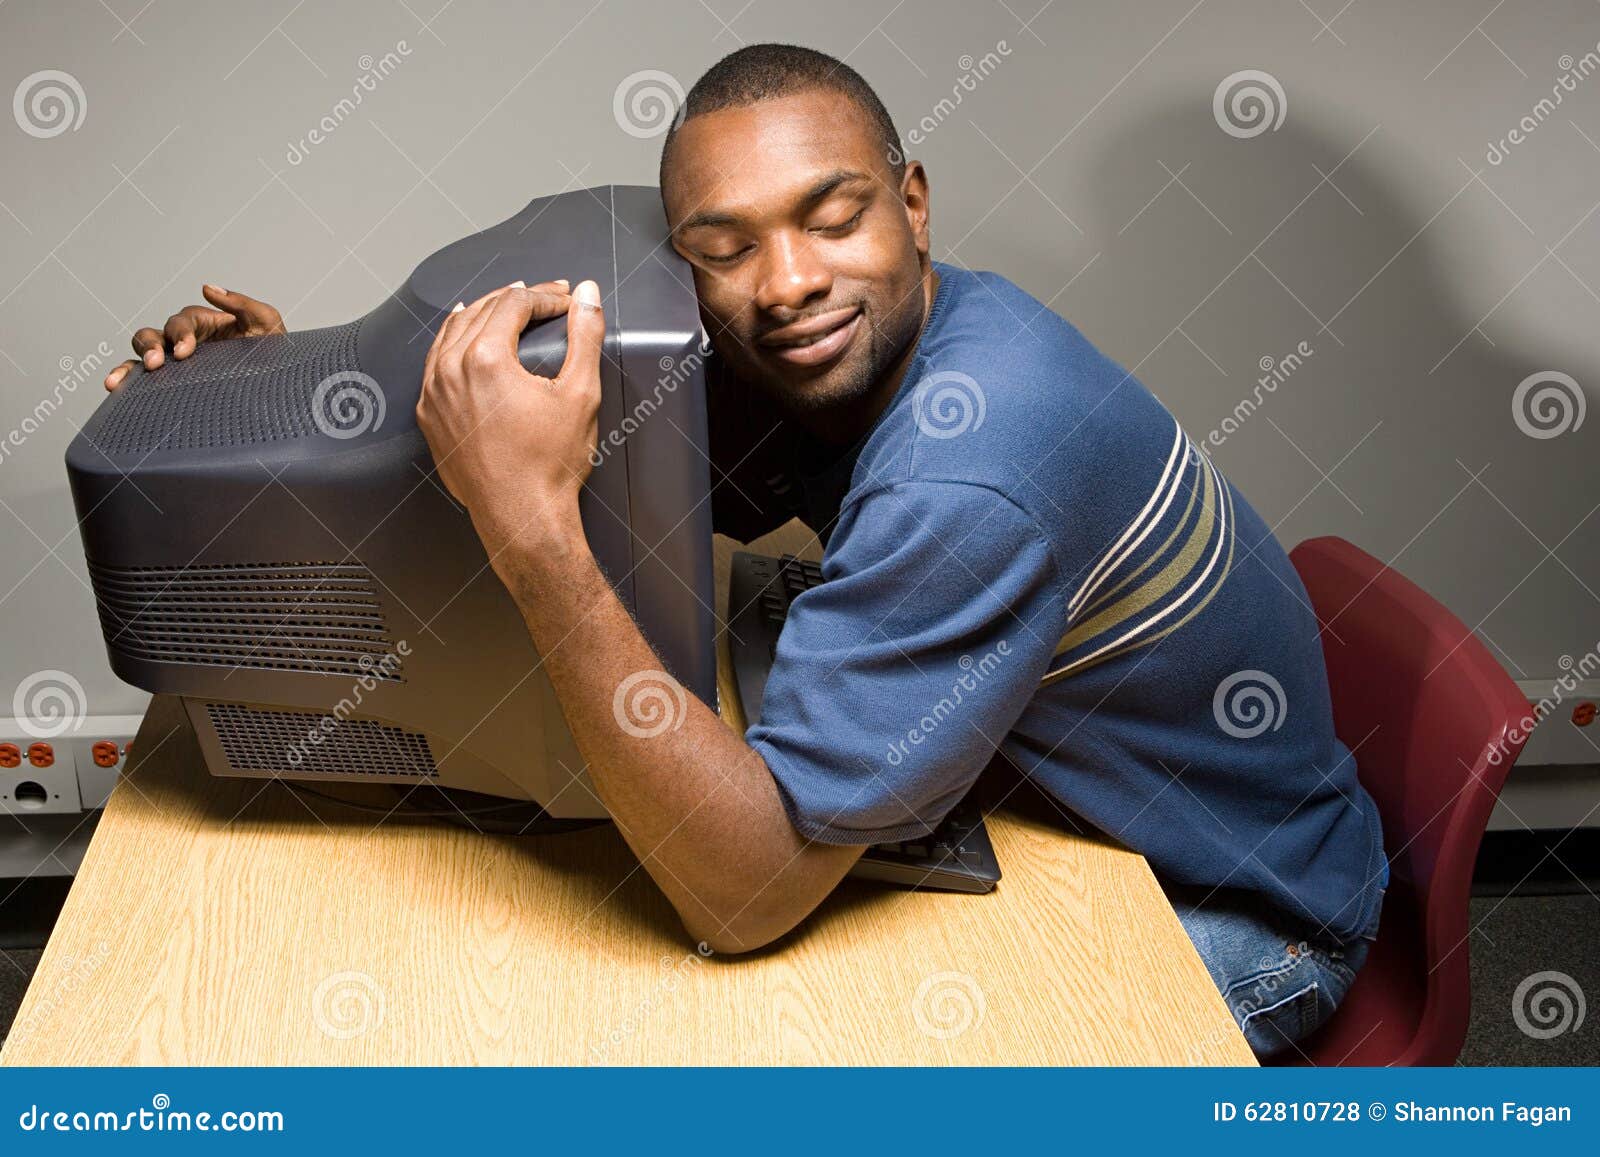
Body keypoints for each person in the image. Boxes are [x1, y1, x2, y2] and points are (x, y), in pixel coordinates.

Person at [103, 44, 1386, 1059]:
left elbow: (744, 897)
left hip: (1240, 914)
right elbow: (642, 476)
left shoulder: (973, 457)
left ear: (915, 204)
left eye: (831, 218)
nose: (785, 285)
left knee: (781, 1059)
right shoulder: (878, 358)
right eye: (723, 251)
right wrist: (291, 401)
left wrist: (536, 532)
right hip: (1071, 811)